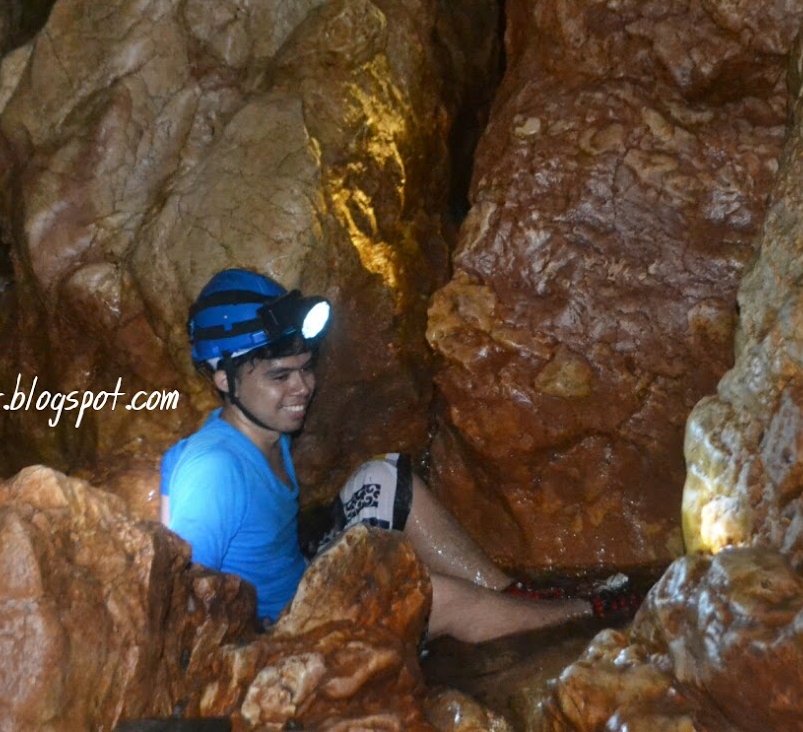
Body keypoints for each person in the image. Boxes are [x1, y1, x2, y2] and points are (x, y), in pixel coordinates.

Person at [159, 268, 637, 642]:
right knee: (438, 598)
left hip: (304, 585)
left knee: (383, 476)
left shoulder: (265, 431)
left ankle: (509, 595)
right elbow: (169, 601)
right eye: (280, 377)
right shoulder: (213, 471)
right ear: (223, 378)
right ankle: (595, 617)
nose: (303, 388)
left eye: (305, 369)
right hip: (281, 637)